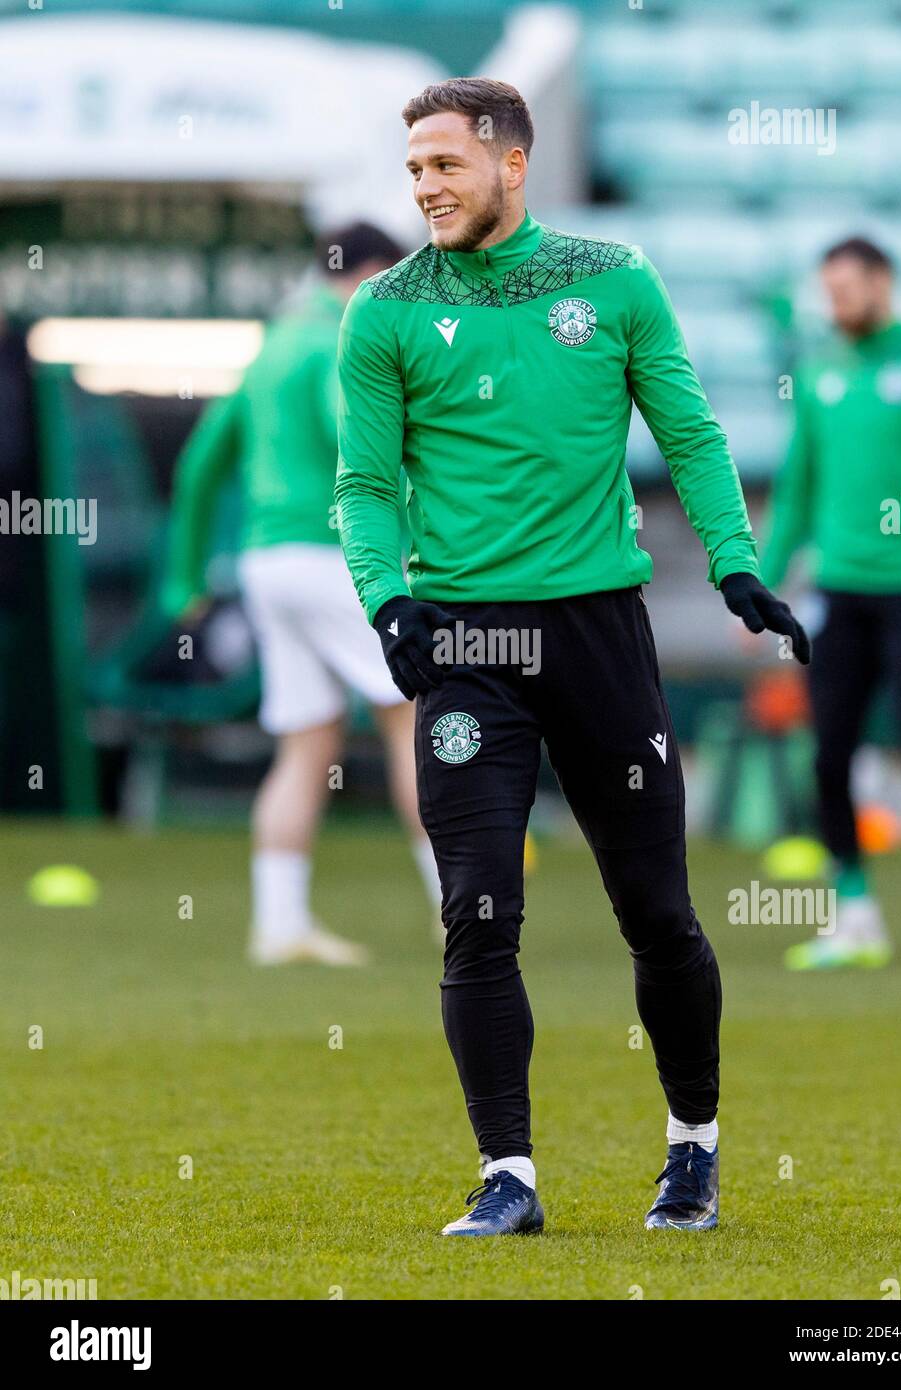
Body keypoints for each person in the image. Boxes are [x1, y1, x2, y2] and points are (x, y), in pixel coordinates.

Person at [335, 78, 809, 1235]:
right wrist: (387, 601)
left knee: (655, 910)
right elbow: (361, 483)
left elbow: (688, 430)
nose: (424, 188)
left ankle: (689, 1151)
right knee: (479, 910)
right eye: (412, 170)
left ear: (510, 164)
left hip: (598, 634)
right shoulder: (386, 310)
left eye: (443, 165)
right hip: (464, 645)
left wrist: (736, 564)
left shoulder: (613, 280)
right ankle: (508, 1175)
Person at [164, 222, 442, 966]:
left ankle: (279, 925)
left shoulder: (270, 345)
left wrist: (182, 580)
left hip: (266, 565)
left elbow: (198, 470)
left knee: (306, 745)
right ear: (372, 274)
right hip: (334, 560)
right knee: (414, 721)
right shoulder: (341, 341)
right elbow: (361, 446)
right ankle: (465, 912)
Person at [762, 237, 901, 978]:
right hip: (840, 589)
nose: (838, 300)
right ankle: (854, 917)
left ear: (884, 282)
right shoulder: (819, 372)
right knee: (828, 756)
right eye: (830, 289)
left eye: (850, 286)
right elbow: (797, 488)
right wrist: (759, 578)